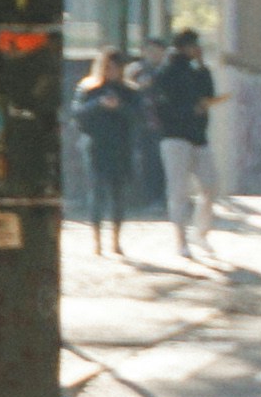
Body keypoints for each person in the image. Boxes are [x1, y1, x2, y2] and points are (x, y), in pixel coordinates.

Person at [145, 30, 220, 261]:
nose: (196, 49)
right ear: (181, 47)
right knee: (178, 190)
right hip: (174, 136)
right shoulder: (167, 71)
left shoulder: (197, 70)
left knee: (211, 185)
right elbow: (162, 105)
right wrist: (189, 111)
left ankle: (201, 232)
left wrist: (202, 66)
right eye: (192, 45)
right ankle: (181, 240)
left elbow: (209, 94)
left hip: (198, 135)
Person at [74, 48, 150, 260]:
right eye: (107, 66)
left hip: (121, 147)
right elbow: (78, 114)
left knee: (118, 194)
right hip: (95, 146)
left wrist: (119, 107)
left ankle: (116, 240)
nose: (111, 71)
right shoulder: (89, 89)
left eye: (115, 67)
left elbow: (138, 118)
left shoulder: (130, 92)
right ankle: (97, 241)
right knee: (96, 193)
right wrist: (99, 105)